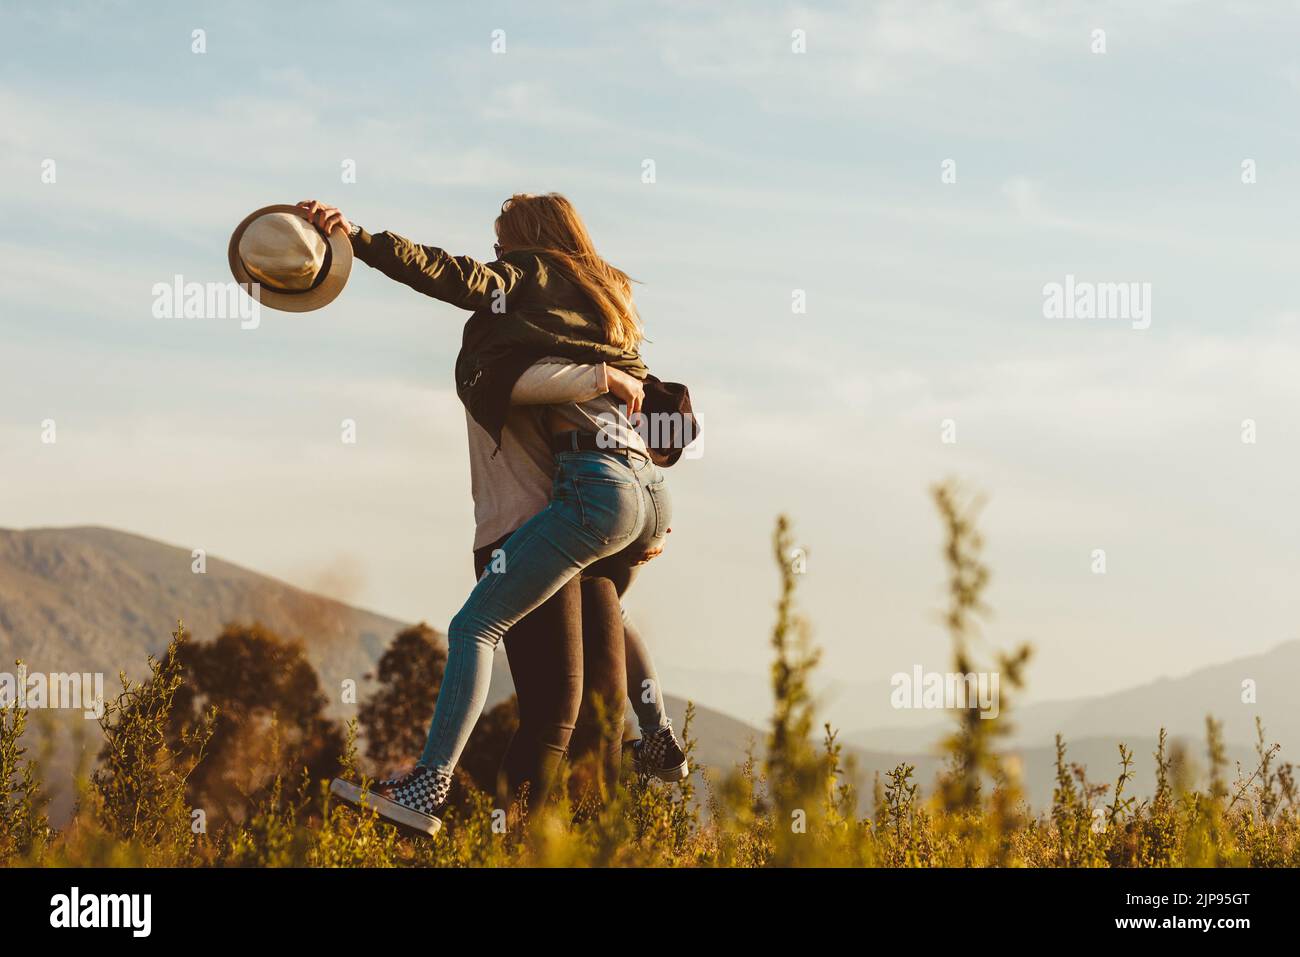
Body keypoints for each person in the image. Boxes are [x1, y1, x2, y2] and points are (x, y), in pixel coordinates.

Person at [313, 193, 686, 836]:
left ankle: (426, 790)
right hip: (645, 491)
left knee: (475, 631)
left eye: (501, 241)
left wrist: (361, 239)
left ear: (525, 240)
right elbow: (668, 419)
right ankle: (655, 745)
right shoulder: (606, 305)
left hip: (589, 498)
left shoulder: (528, 283)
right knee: (599, 660)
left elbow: (446, 273)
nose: (495, 254)